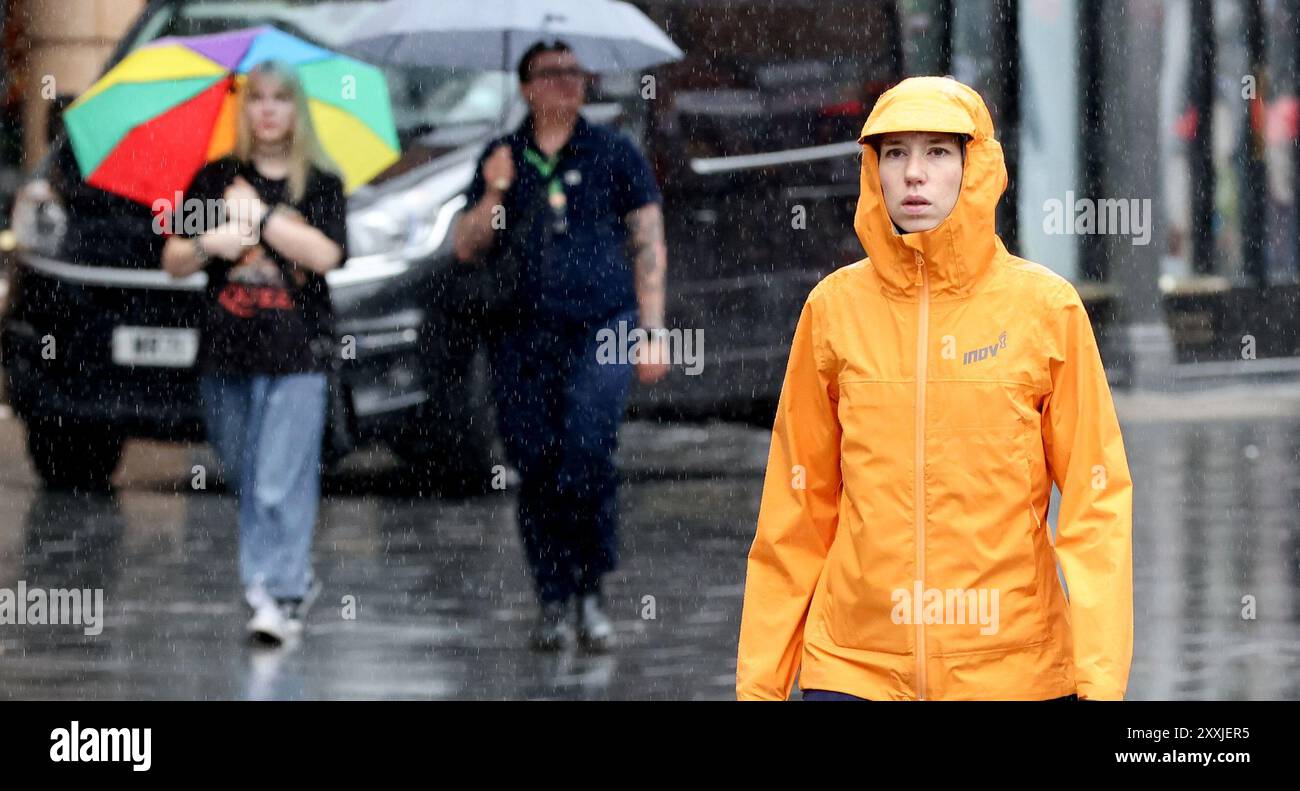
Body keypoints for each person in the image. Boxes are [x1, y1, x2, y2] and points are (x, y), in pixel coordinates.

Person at [736, 76, 1133, 701]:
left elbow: (1095, 502)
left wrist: (1100, 681)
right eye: (895, 153)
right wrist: (761, 684)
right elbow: (796, 508)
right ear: (875, 170)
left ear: (975, 168)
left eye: (937, 152)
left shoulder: (1045, 310)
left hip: (1011, 671)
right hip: (854, 667)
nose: (914, 174)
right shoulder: (833, 310)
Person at [452, 41, 670, 652]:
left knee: (589, 448)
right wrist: (495, 192)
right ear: (525, 86)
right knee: (536, 463)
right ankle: (552, 595)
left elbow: (648, 239)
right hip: (521, 335)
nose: (567, 84)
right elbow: (467, 247)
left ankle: (592, 587)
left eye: (575, 73)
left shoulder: (613, 152)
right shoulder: (503, 156)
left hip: (604, 326)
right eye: (551, 74)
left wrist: (653, 330)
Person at [161, 60, 348, 645]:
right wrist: (209, 242)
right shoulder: (214, 179)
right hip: (226, 353)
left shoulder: (318, 181)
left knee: (278, 479)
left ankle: (276, 592)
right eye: (257, 98)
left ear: (297, 110)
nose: (268, 109)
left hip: (298, 356)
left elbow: (327, 255)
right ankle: (279, 582)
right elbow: (172, 260)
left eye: (280, 98)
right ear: (243, 111)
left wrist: (262, 217)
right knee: (247, 476)